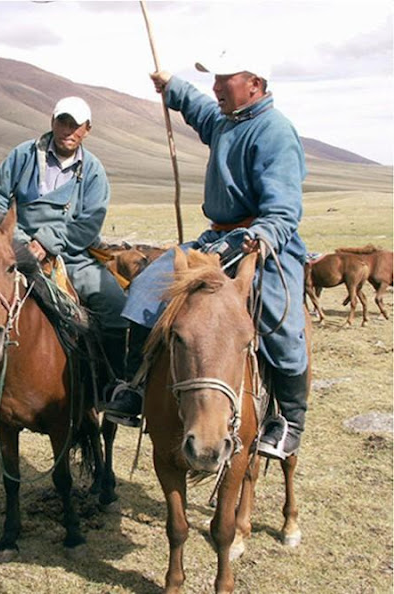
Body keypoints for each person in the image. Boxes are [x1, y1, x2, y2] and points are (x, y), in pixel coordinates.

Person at [105, 50, 310, 460]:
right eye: (213, 79)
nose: (215, 87)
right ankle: (136, 385)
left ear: (254, 84)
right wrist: (172, 86)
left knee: (283, 324)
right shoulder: (226, 122)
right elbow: (199, 110)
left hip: (263, 242)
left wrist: (262, 236)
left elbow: (284, 209)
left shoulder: (275, 132)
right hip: (215, 239)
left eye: (223, 79)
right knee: (146, 287)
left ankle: (289, 420)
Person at [0, 96, 128, 388]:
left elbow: (89, 224)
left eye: (76, 125)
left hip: (72, 254)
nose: (69, 130)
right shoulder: (24, 155)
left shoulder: (93, 170)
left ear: (87, 129)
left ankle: (113, 383)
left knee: (113, 303)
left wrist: (46, 243)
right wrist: (19, 240)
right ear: (53, 122)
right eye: (64, 122)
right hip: (17, 250)